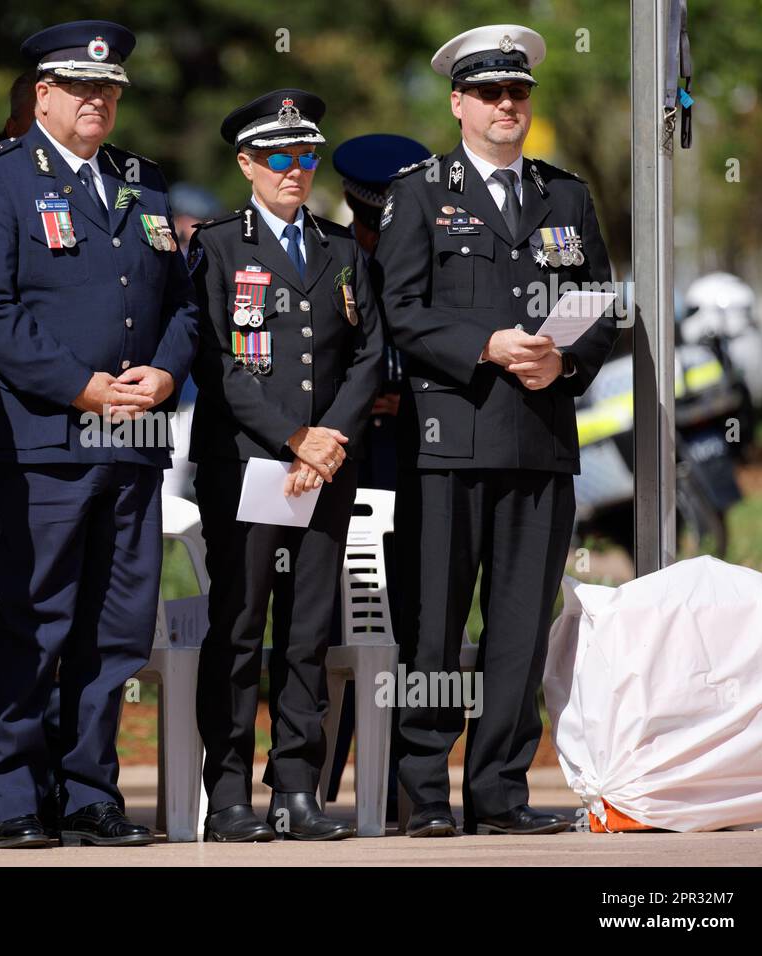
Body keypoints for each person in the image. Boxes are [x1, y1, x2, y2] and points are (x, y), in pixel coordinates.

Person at [0, 19, 199, 849]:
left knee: (116, 633)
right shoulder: (0, 183)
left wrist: (163, 372)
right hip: (44, 441)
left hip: (132, 440)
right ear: (43, 96)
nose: (97, 101)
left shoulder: (145, 183)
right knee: (36, 620)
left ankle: (90, 793)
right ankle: (13, 798)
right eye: (80, 89)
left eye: (109, 90)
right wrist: (80, 386)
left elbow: (186, 303)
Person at [375, 24, 620, 837]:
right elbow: (400, 311)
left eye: (517, 92)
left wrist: (568, 365)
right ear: (459, 104)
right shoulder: (417, 192)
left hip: (541, 438)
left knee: (519, 624)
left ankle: (501, 792)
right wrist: (483, 344)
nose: (506, 104)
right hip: (449, 438)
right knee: (434, 626)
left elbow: (602, 307)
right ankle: (424, 793)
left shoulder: (567, 194)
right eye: (489, 93)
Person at [188, 90, 382, 842]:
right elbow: (217, 360)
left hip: (326, 467)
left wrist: (328, 438)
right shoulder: (216, 246)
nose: (294, 170)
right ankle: (229, 792)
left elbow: (369, 354)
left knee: (307, 630)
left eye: (306, 156)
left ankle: (297, 787)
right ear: (247, 163)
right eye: (278, 157)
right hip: (248, 465)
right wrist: (292, 438)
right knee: (238, 629)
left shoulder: (338, 248)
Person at [323, 133, 430, 807]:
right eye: (372, 225)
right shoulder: (335, 262)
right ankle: (323, 781)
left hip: (414, 459)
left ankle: (396, 785)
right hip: (349, 461)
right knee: (339, 625)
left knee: (409, 621)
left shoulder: (432, 261)